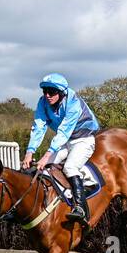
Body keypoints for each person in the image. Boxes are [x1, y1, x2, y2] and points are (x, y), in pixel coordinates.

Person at [23, 73, 101, 223]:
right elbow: (38, 127)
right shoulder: (43, 102)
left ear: (61, 92)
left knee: (70, 167)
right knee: (43, 167)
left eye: (51, 92)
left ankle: (80, 208)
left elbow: (64, 131)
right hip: (66, 141)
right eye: (45, 91)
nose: (47, 95)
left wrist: (46, 155)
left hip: (83, 139)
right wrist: (29, 152)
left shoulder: (73, 102)